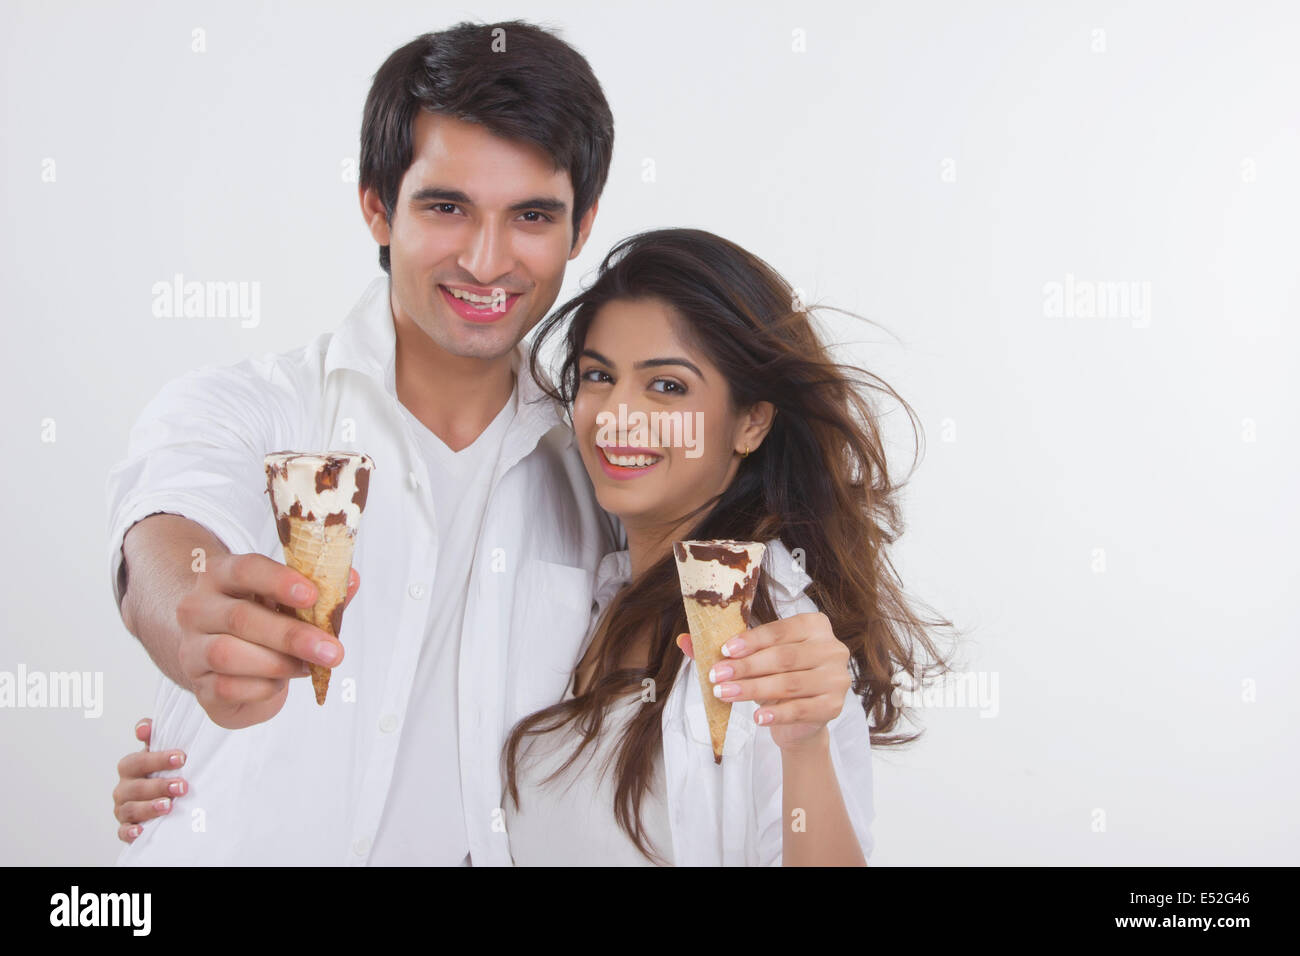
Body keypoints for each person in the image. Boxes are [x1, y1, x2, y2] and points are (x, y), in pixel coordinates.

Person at [107, 23, 854, 866]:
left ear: (581, 227)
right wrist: (191, 632)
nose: (487, 260)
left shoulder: (608, 473)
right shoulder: (249, 408)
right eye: (447, 206)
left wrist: (814, 692)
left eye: (531, 215)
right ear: (377, 207)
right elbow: (160, 540)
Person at [116, 229, 959, 865]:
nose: (617, 413)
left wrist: (808, 738)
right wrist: (210, 766)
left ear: (752, 419)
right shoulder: (593, 568)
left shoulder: (754, 619)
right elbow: (169, 514)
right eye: (597, 375)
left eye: (667, 385)